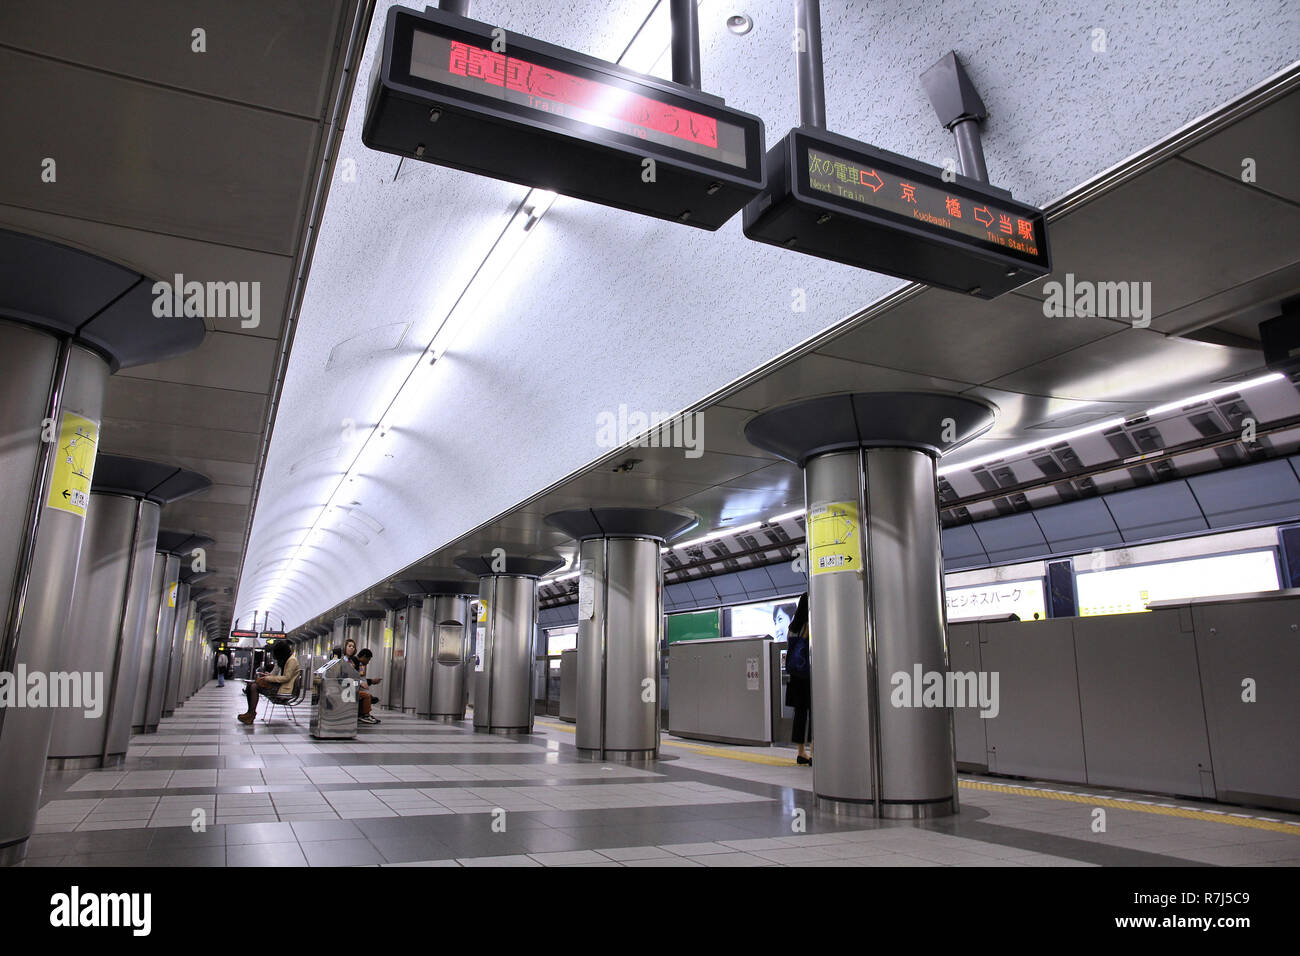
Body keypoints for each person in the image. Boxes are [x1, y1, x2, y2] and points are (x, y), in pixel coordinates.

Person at [237, 640, 299, 724]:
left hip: (284, 689)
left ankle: (251, 714)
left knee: (254, 686)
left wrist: (268, 679)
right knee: (250, 685)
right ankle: (250, 713)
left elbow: (286, 678)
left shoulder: (292, 661)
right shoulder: (282, 660)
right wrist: (267, 675)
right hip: (278, 686)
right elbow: (274, 673)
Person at [785, 593, 812, 766]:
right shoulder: (809, 624)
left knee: (800, 714)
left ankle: (801, 752)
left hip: (796, 675)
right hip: (809, 675)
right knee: (815, 713)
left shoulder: (793, 626)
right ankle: (813, 750)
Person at [342, 638, 381, 725]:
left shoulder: (352, 661)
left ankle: (364, 714)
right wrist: (360, 683)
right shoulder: (346, 661)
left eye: (353, 646)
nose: (351, 648)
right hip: (345, 688)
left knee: (366, 695)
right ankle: (364, 715)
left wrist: (365, 682)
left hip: (350, 686)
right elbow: (348, 677)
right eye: (349, 646)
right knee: (366, 696)